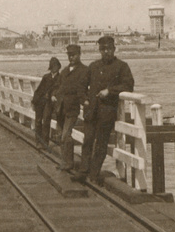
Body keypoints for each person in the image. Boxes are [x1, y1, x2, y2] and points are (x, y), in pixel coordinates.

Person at [74, 36, 135, 186]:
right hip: (91, 110)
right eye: (103, 49)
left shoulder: (122, 66)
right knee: (87, 140)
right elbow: (81, 85)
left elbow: (128, 85)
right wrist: (84, 100)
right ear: (100, 50)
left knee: (101, 143)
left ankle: (93, 175)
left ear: (114, 49)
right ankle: (83, 172)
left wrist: (110, 91)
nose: (106, 52)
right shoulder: (93, 66)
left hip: (107, 111)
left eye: (109, 49)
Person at [53, 44, 90, 171]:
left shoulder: (84, 70)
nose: (71, 58)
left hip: (72, 108)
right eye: (69, 55)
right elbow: (58, 86)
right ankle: (65, 162)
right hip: (61, 107)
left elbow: (83, 89)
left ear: (79, 54)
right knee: (60, 135)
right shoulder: (65, 71)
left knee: (65, 136)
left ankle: (69, 163)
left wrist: (85, 100)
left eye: (74, 55)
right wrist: (55, 95)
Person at [31, 56, 62, 147]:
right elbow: (39, 90)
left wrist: (54, 96)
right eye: (52, 66)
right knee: (38, 121)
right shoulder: (46, 77)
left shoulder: (60, 78)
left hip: (49, 103)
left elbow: (59, 90)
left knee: (46, 120)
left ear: (58, 67)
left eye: (55, 66)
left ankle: (45, 143)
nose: (54, 68)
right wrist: (34, 101)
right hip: (40, 102)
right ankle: (38, 141)